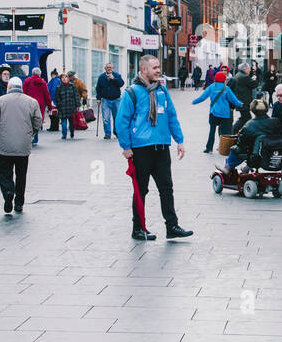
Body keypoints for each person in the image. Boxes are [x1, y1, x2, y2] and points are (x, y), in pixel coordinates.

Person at [117, 54, 192, 241]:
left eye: (159, 67)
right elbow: (122, 121)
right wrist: (126, 147)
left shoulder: (162, 91)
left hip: (161, 147)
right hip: (141, 149)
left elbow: (171, 115)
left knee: (167, 187)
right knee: (141, 190)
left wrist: (179, 140)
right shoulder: (132, 92)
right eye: (155, 68)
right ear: (144, 70)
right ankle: (139, 228)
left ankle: (172, 226)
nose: (158, 70)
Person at [0, 76, 42, 214]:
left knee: (4, 172)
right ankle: (19, 203)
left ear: (9, 87)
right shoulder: (32, 102)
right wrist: (31, 133)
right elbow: (38, 121)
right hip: (23, 146)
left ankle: (8, 191)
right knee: (21, 174)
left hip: (4, 145)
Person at [224, 98, 282, 174]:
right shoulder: (276, 122)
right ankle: (247, 167)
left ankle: (228, 166)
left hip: (255, 154)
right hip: (270, 151)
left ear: (252, 110)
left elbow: (242, 142)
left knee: (236, 149)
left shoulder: (249, 125)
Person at [192, 71, 241, 153]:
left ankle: (209, 148)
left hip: (214, 112)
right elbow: (233, 100)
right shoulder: (226, 88)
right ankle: (225, 149)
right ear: (224, 79)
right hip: (225, 113)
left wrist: (194, 102)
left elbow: (203, 97)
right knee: (224, 132)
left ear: (215, 78)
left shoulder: (212, 87)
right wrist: (240, 104)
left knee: (212, 131)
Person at [22, 67, 51, 147]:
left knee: (29, 120)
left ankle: (29, 138)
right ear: (40, 74)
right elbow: (47, 95)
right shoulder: (43, 83)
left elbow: (23, 92)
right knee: (37, 120)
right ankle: (35, 138)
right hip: (39, 105)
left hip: (29, 103)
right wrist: (50, 106)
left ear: (32, 73)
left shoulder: (27, 81)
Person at [95, 62, 125, 140]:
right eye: (107, 67)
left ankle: (116, 132)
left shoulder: (117, 75)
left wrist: (114, 79)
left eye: (110, 67)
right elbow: (98, 88)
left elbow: (121, 83)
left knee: (117, 117)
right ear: (105, 68)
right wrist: (98, 98)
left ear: (113, 68)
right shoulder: (101, 77)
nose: (109, 69)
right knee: (106, 118)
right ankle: (107, 134)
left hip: (116, 100)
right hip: (105, 100)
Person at [55, 69, 83, 140]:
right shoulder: (59, 87)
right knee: (63, 122)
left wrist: (77, 105)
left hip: (71, 106)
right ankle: (64, 134)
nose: (64, 79)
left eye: (66, 77)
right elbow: (57, 97)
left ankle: (72, 132)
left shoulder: (72, 86)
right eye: (63, 78)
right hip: (63, 107)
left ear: (68, 78)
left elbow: (76, 96)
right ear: (61, 79)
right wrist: (59, 104)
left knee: (71, 121)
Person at [230, 63, 258, 132]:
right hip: (243, 101)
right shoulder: (244, 77)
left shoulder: (238, 75)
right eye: (249, 69)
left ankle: (238, 131)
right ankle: (234, 131)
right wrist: (255, 77)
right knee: (246, 118)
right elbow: (254, 84)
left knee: (244, 118)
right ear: (245, 69)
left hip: (240, 100)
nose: (250, 70)